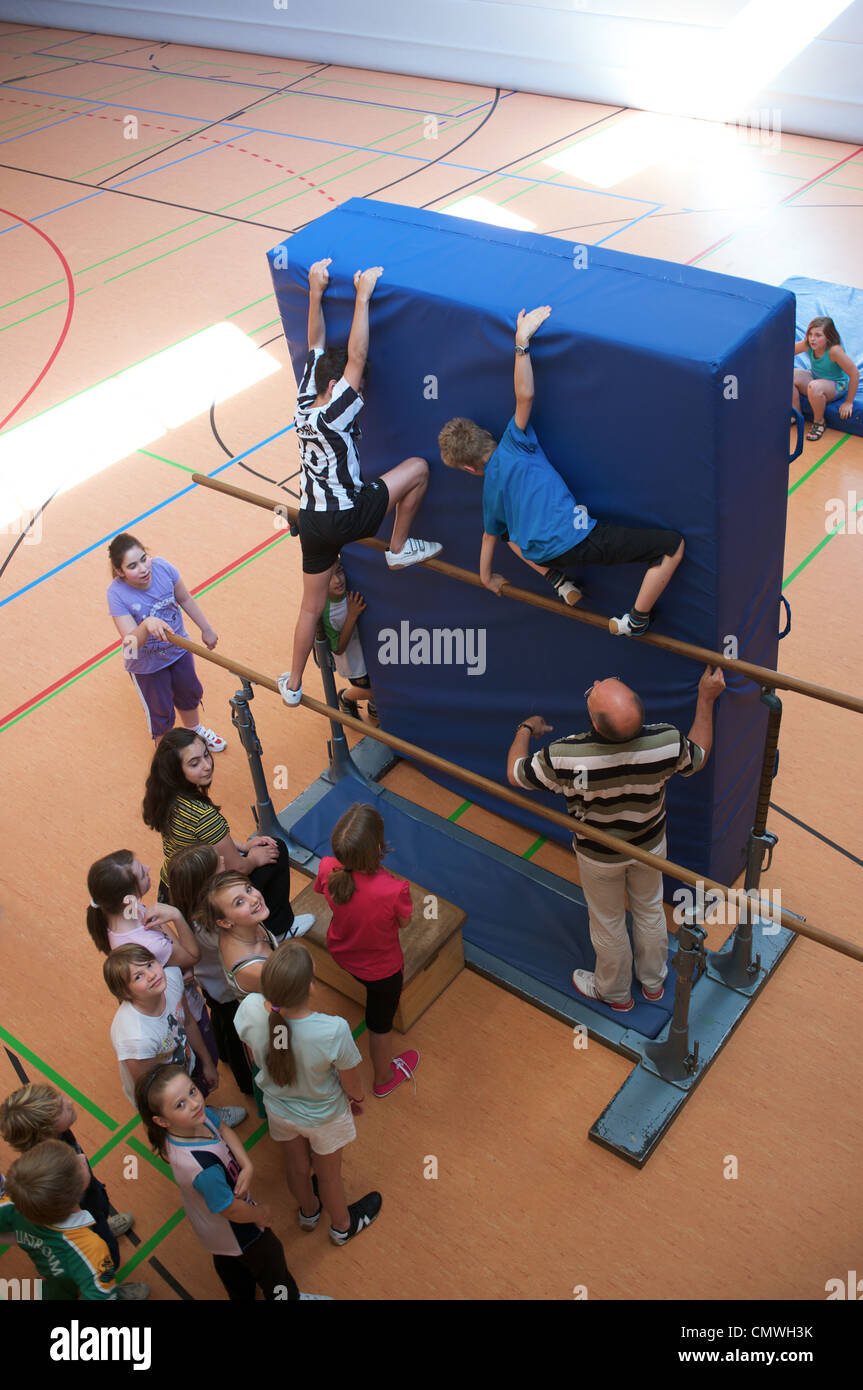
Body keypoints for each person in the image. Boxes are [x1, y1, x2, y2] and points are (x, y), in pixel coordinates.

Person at [438, 305, 685, 637]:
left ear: (469, 468)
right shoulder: (514, 441)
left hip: (543, 552)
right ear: (487, 434)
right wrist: (521, 341)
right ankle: (638, 620)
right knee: (671, 545)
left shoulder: (489, 494)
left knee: (508, 534)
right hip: (580, 539)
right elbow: (524, 395)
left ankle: (556, 579)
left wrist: (486, 577)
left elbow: (489, 537)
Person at [506, 666, 726, 1010]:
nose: (594, 681)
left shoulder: (566, 754)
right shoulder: (665, 741)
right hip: (650, 846)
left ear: (595, 725)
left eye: (598, 687)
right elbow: (697, 757)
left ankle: (615, 994)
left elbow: (516, 773)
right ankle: (654, 983)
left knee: (608, 922)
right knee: (650, 908)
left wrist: (525, 729)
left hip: (599, 855)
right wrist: (706, 698)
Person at [278, 259, 442, 706]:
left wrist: (315, 290)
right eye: (355, 388)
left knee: (309, 606)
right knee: (419, 469)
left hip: (312, 520)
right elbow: (357, 356)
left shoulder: (304, 402)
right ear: (338, 386)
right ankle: (398, 547)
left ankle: (292, 683)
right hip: (348, 515)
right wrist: (363, 295)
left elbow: (315, 341)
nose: (360, 394)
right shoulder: (339, 410)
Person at [136, 1064, 329, 1300]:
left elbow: (223, 1128)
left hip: (212, 1228)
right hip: (237, 1229)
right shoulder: (200, 1167)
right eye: (180, 1104)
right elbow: (230, 1209)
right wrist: (260, 1215)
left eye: (192, 1091)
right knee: (272, 1261)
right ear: (162, 1121)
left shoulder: (194, 1122)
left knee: (231, 1267)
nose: (194, 1103)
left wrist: (246, 1163)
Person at [234, 942, 382, 1246]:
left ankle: (309, 1212)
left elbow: (252, 1058)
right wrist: (357, 1100)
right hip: (324, 1116)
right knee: (328, 1177)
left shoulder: (248, 1007)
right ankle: (342, 1226)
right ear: (310, 988)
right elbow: (351, 1081)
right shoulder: (333, 1030)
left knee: (297, 1167)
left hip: (279, 1110)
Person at [142, 727, 314, 943]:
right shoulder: (202, 814)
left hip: (173, 886)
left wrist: (244, 846)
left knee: (259, 850)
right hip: (203, 897)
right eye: (194, 763)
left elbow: (205, 838)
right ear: (176, 770)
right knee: (276, 850)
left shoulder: (164, 797)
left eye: (206, 755)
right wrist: (252, 858)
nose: (206, 766)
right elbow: (237, 868)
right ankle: (279, 927)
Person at [314, 803, 418, 1098]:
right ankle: (384, 1078)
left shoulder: (326, 866)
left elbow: (327, 894)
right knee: (379, 1026)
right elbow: (405, 923)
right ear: (378, 846)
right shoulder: (393, 889)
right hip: (382, 972)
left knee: (376, 1007)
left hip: (343, 953)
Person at [86, 848, 219, 1073]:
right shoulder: (147, 943)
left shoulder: (125, 910)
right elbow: (192, 955)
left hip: (174, 999)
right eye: (142, 873)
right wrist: (175, 915)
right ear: (127, 896)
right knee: (200, 1060)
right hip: (182, 1009)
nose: (148, 869)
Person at [104, 943, 246, 1128]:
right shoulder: (136, 1039)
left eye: (149, 964)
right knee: (183, 1122)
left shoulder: (171, 979)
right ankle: (203, 1125)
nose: (151, 975)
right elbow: (151, 1088)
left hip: (182, 1067)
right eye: (138, 976)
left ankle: (205, 1114)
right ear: (124, 992)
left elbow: (187, 1022)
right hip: (163, 1092)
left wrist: (206, 1063)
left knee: (193, 1100)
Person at [107, 531, 226, 749]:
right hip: (147, 666)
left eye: (144, 559)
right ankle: (166, 758)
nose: (143, 569)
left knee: (189, 693)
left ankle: (194, 731)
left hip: (178, 650)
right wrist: (146, 624)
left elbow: (185, 598)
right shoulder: (116, 593)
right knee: (160, 713)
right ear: (119, 571)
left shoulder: (163, 568)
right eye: (132, 566)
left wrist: (206, 628)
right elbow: (131, 642)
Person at [0, 1083, 134, 1275]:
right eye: (61, 1108)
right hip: (80, 1220)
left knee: (101, 1210)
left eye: (60, 1098)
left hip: (91, 1198)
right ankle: (114, 1284)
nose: (69, 1102)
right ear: (46, 1133)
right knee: (109, 1257)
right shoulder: (47, 1173)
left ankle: (104, 1226)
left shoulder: (58, 1136)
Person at [0, 1141, 148, 1299]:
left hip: (49, 1269)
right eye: (79, 1166)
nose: (82, 1157)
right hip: (61, 1285)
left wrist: (28, 1238)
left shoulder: (15, 1202)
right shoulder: (93, 1250)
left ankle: (100, 1231)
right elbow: (101, 1296)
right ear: (74, 1193)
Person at [167, 844, 255, 1095]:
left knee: (222, 1022)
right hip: (227, 991)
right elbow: (240, 943)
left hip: (212, 985)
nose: (223, 860)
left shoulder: (191, 909)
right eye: (219, 866)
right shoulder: (211, 925)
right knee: (239, 1037)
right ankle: (246, 1082)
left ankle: (225, 1054)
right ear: (207, 885)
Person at [322, 557, 378, 722]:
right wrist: (352, 615)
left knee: (376, 683)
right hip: (354, 663)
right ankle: (346, 698)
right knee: (371, 690)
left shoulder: (351, 587)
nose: (337, 580)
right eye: (329, 576)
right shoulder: (326, 611)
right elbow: (338, 648)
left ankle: (374, 705)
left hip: (368, 652)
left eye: (339, 571)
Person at [792, 316, 859, 442]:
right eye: (810, 334)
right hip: (816, 376)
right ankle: (796, 414)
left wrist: (849, 402)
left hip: (836, 384)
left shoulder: (834, 351)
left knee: (814, 387)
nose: (812, 339)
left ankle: (819, 422)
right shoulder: (809, 344)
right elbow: (787, 351)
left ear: (828, 337)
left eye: (818, 335)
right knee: (790, 375)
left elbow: (854, 373)